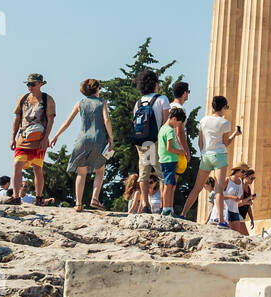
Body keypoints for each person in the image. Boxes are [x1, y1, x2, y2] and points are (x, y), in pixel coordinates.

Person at [48, 77, 115, 212]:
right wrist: (111, 138)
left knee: (81, 172)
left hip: (82, 139)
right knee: (100, 170)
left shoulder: (80, 103)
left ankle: (78, 204)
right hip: (99, 139)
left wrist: (56, 135)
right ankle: (94, 199)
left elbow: (67, 122)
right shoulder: (102, 102)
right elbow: (106, 120)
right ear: (96, 89)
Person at [179, 96, 233, 224]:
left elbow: (200, 141)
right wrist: (234, 136)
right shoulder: (225, 123)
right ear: (224, 107)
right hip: (219, 155)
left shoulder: (203, 120)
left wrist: (203, 152)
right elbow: (225, 142)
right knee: (219, 190)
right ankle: (221, 220)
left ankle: (183, 213)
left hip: (206, 155)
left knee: (197, 187)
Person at [9, 74, 55, 206]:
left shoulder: (47, 99)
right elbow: (17, 118)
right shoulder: (23, 98)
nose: (29, 87)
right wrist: (12, 138)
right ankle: (16, 196)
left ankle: (39, 197)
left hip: (39, 140)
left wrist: (45, 139)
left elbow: (51, 120)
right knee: (17, 166)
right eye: (28, 84)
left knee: (37, 168)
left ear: (40, 84)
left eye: (32, 84)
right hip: (22, 139)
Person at [131, 70, 170, 213]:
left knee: (144, 173)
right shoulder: (162, 99)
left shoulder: (139, 102)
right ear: (155, 83)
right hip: (157, 140)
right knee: (162, 174)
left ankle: (145, 204)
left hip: (141, 142)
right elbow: (166, 123)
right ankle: (163, 206)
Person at [157, 106, 186, 216]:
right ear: (174, 119)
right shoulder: (169, 130)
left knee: (170, 184)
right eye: (178, 123)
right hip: (169, 160)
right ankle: (166, 208)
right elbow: (169, 148)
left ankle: (169, 207)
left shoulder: (162, 128)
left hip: (165, 160)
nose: (178, 126)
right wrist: (181, 152)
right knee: (168, 185)